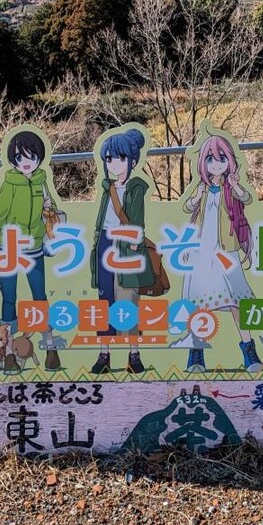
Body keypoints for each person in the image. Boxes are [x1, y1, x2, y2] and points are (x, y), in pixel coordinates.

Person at [178, 132, 263, 373]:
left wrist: (236, 185)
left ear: (229, 161)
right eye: (210, 159)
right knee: (199, 303)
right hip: (202, 251)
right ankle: (196, 354)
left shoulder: (230, 186)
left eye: (221, 158)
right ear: (203, 163)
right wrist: (195, 198)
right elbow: (187, 206)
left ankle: (249, 351)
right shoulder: (203, 187)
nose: (216, 164)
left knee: (237, 300)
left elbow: (246, 198)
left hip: (227, 249)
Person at [0, 130, 63, 371]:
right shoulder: (10, 183)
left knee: (40, 298)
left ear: (39, 158)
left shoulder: (41, 181)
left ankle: (50, 349)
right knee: (9, 300)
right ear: (13, 160)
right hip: (9, 249)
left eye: (31, 156)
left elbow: (50, 208)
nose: (26, 162)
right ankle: (8, 355)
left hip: (34, 248)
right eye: (19, 157)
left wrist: (49, 208)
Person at [89, 127, 153, 374]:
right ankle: (104, 355)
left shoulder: (136, 189)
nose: (114, 164)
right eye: (109, 159)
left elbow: (137, 220)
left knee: (128, 302)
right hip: (106, 244)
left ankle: (134, 356)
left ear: (133, 161)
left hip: (126, 247)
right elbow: (100, 221)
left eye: (121, 158)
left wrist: (133, 242)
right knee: (105, 301)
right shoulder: (107, 189)